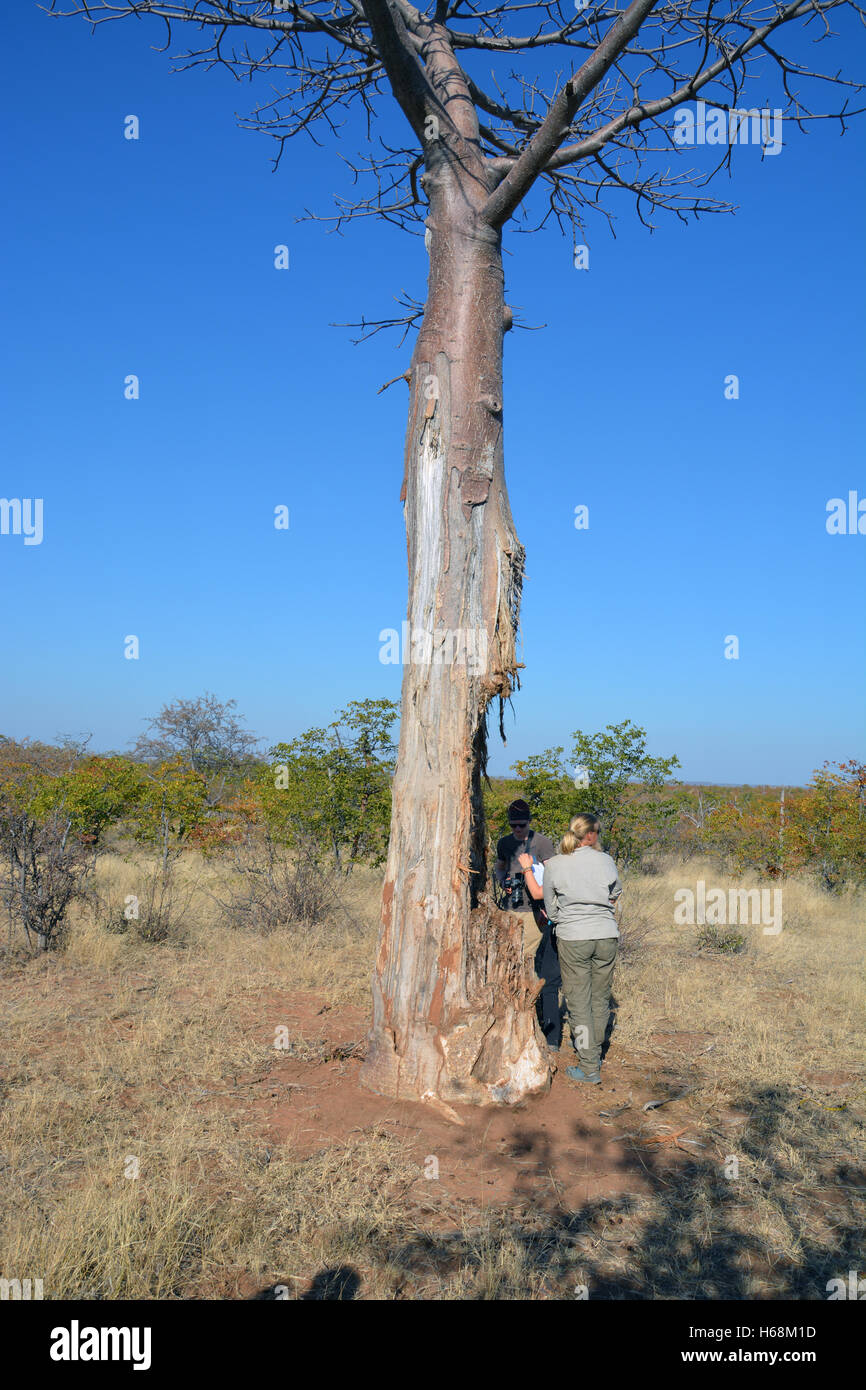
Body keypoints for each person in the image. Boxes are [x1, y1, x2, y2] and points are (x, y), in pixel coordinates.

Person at [542, 813, 622, 1085]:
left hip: (573, 936)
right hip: (606, 934)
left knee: (577, 1002)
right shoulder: (607, 860)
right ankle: (595, 1055)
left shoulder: (554, 864)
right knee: (600, 998)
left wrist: (564, 918)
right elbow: (615, 893)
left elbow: (551, 907)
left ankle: (589, 1067)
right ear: (591, 835)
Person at [495, 800, 561, 1052]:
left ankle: (529, 1014)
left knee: (529, 960)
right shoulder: (504, 843)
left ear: (529, 822)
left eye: (521, 825)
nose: (517, 830)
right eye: (513, 825)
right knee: (510, 959)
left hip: (534, 911)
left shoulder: (542, 843)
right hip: (510, 909)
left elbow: (553, 873)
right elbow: (500, 868)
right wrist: (504, 882)